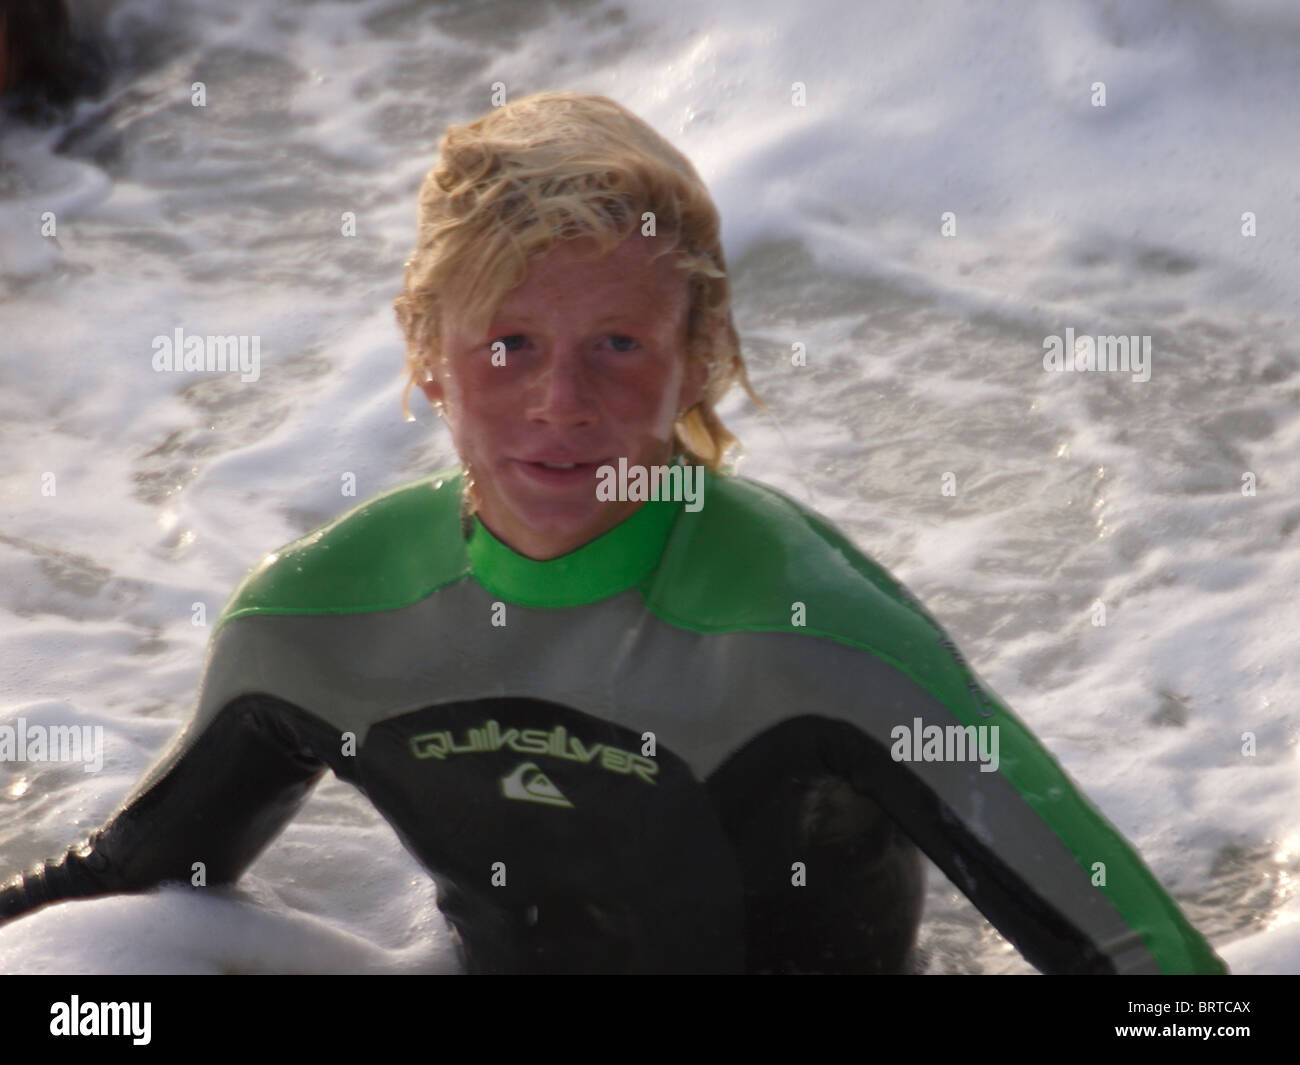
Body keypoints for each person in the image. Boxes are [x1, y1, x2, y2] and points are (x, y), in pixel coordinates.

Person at [0, 91, 1226, 974]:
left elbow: (1145, 968)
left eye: (618, 347)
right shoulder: (318, 625)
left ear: (699, 363)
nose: (559, 405)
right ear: (426, 358)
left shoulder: (806, 640)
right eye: (507, 345)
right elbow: (120, 895)